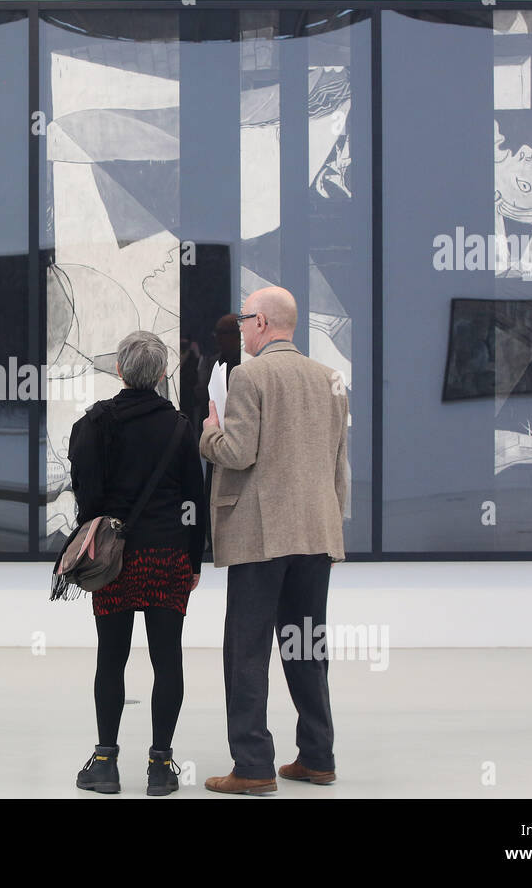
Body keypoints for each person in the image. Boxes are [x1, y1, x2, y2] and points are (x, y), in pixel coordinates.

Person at [198, 286, 349, 796]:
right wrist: (333, 523)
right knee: (306, 645)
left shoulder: (249, 375)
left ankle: (253, 765)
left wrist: (208, 430)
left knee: (246, 649)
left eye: (243, 319)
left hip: (261, 535)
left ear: (261, 323)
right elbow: (339, 463)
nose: (239, 328)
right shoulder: (330, 379)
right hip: (317, 531)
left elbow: (237, 453)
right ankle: (317, 757)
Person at [63, 331, 206, 796]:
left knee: (112, 657)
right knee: (168, 660)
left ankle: (105, 762)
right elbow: (194, 500)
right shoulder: (181, 427)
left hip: (114, 560)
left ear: (120, 370)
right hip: (167, 557)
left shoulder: (94, 423)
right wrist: (193, 558)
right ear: (163, 374)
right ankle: (161, 767)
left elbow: (86, 497)